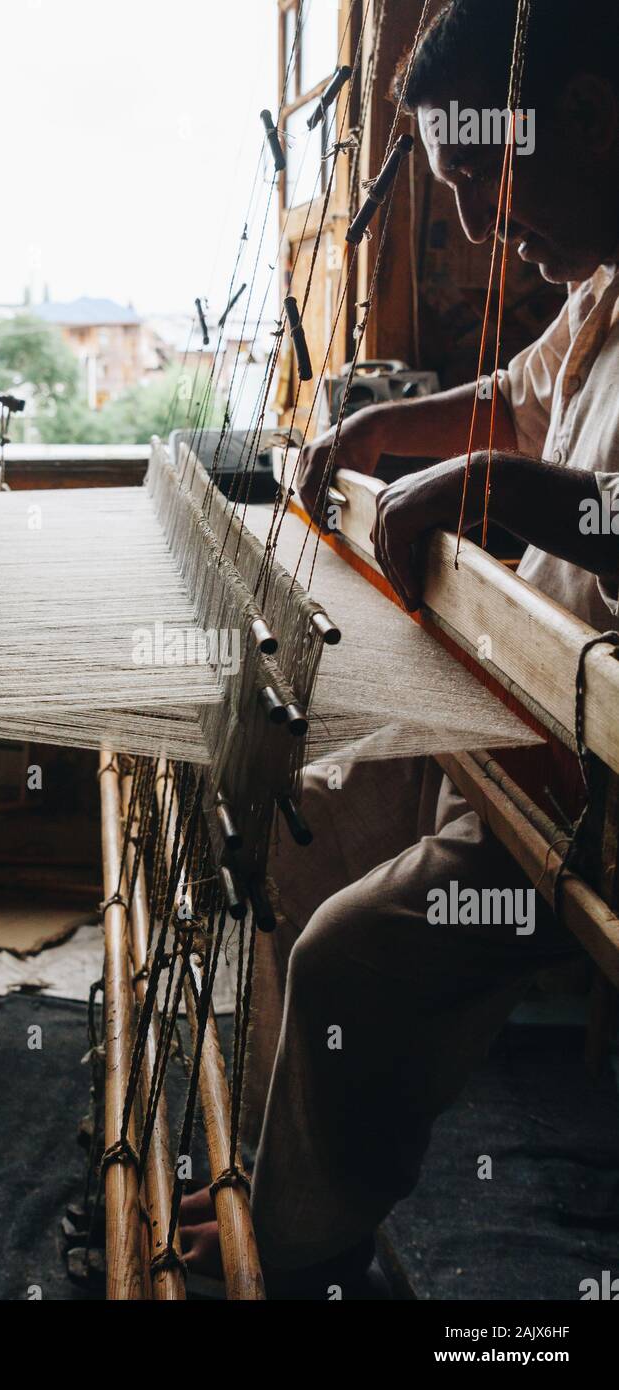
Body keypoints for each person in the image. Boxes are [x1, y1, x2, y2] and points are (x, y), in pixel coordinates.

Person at [179, 0, 619, 1298]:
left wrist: (521, 495)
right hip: (511, 723)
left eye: (482, 175)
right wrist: (381, 437)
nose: (478, 227)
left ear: (589, 118)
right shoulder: (599, 296)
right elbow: (507, 399)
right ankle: (265, 1154)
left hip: (585, 797)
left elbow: (527, 463)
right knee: (290, 814)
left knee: (344, 957)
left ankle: (311, 1231)